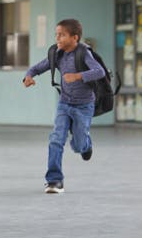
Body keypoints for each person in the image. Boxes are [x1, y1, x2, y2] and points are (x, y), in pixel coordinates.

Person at [23, 18, 105, 194]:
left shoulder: (84, 53)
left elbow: (100, 71)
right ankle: (54, 180)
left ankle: (86, 144)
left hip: (84, 106)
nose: (57, 38)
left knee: (78, 145)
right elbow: (37, 68)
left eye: (62, 35)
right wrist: (28, 77)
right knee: (56, 139)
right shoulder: (57, 54)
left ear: (75, 38)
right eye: (56, 34)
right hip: (64, 104)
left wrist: (77, 76)